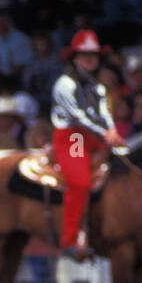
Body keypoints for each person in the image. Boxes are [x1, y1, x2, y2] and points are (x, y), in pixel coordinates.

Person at [50, 29, 126, 262]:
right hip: (71, 136)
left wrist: (112, 131)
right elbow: (76, 116)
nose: (90, 59)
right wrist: (105, 132)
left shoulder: (97, 86)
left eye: (92, 55)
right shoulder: (65, 84)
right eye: (84, 55)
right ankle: (69, 240)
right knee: (80, 182)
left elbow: (103, 111)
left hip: (92, 135)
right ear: (75, 57)